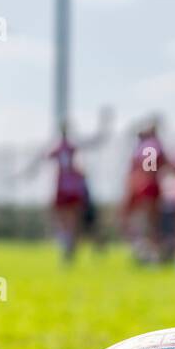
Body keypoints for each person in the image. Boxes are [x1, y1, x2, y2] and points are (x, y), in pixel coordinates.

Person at [47, 110, 110, 263]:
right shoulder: (68, 147)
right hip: (71, 189)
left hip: (66, 189)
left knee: (68, 221)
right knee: (71, 222)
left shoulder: (62, 147)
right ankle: (70, 247)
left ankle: (69, 248)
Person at [124, 122, 168, 262]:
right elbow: (159, 164)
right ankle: (150, 252)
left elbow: (133, 168)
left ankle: (144, 250)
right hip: (151, 184)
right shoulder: (155, 144)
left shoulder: (139, 147)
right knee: (152, 222)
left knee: (143, 220)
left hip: (140, 185)